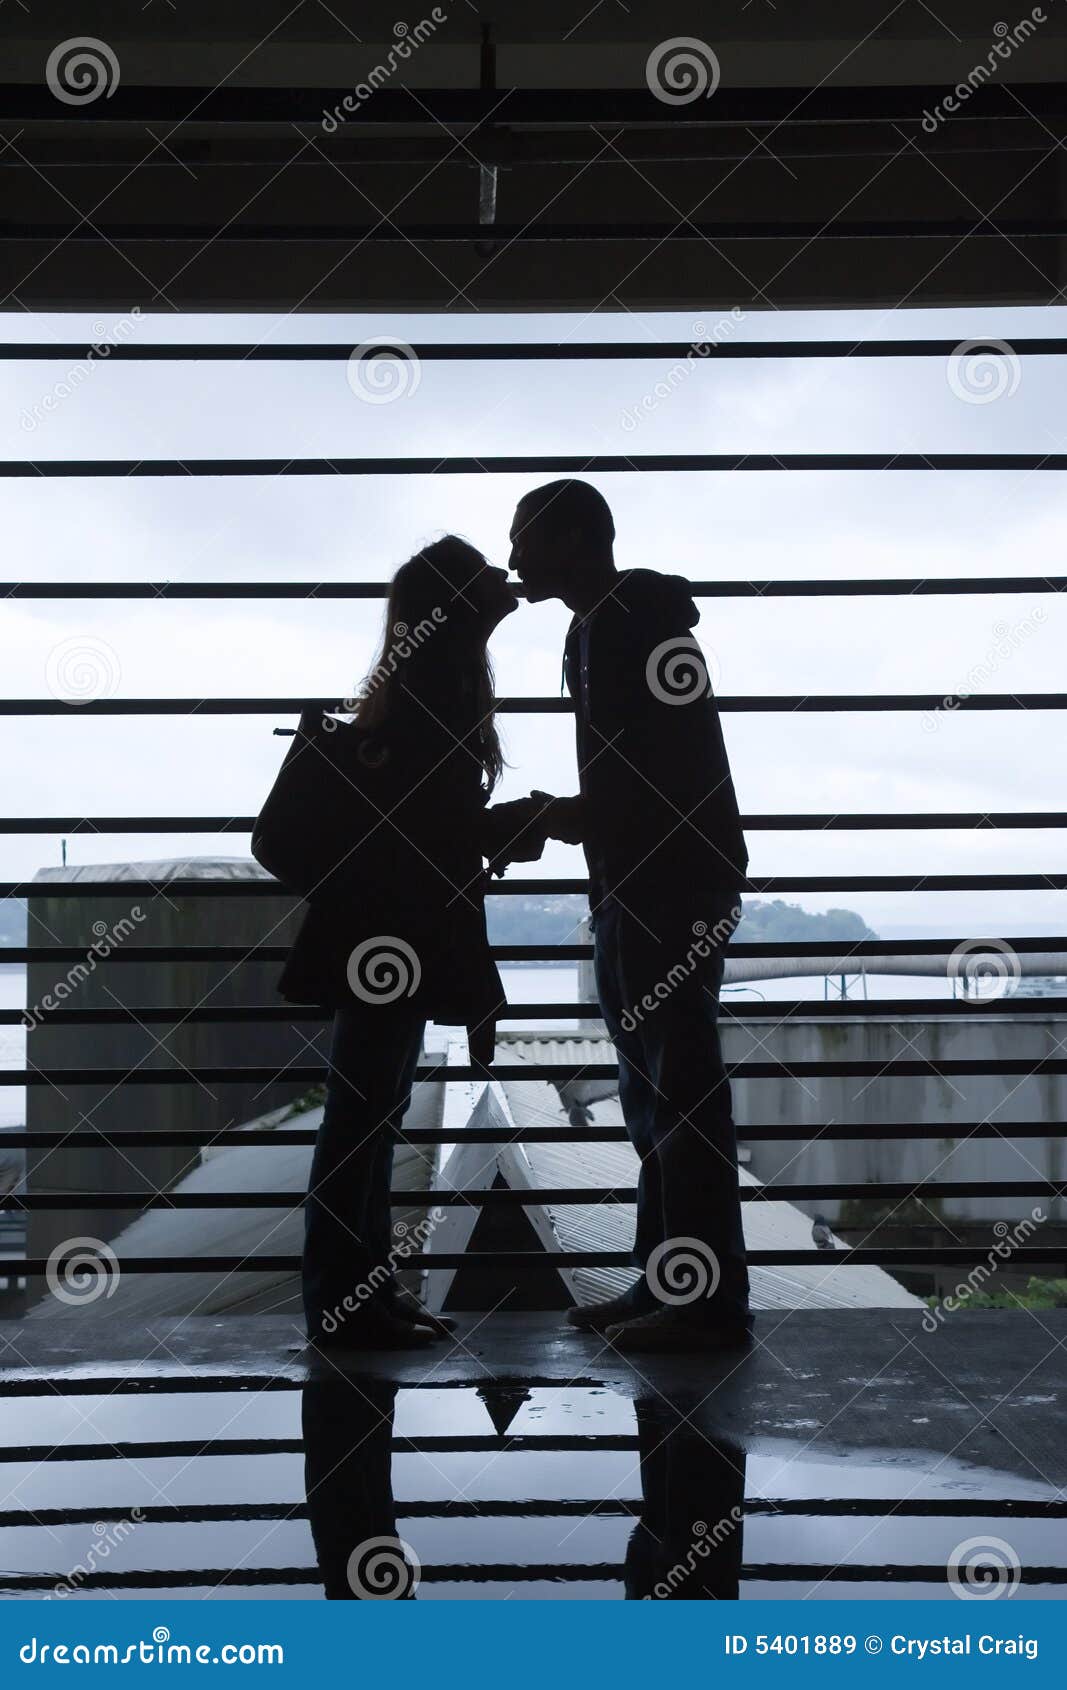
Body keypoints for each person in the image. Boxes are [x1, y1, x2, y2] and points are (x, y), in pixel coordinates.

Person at [276, 536, 548, 1350]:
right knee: (366, 1119)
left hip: (376, 935)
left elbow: (417, 827)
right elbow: (437, 830)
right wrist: (509, 826)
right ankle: (348, 1298)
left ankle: (358, 1294)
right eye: (483, 579)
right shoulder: (443, 685)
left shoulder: (418, 680)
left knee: (366, 1117)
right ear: (457, 605)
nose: (503, 582)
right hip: (395, 936)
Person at [507, 480, 752, 1353]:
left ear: (574, 540)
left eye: (525, 543)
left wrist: (558, 817)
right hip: (651, 885)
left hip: (658, 889)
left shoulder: (619, 626)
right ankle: (673, 1286)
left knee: (673, 1101)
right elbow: (656, 771)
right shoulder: (609, 625)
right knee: (660, 1099)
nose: (512, 561)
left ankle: (699, 1300)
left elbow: (639, 781)